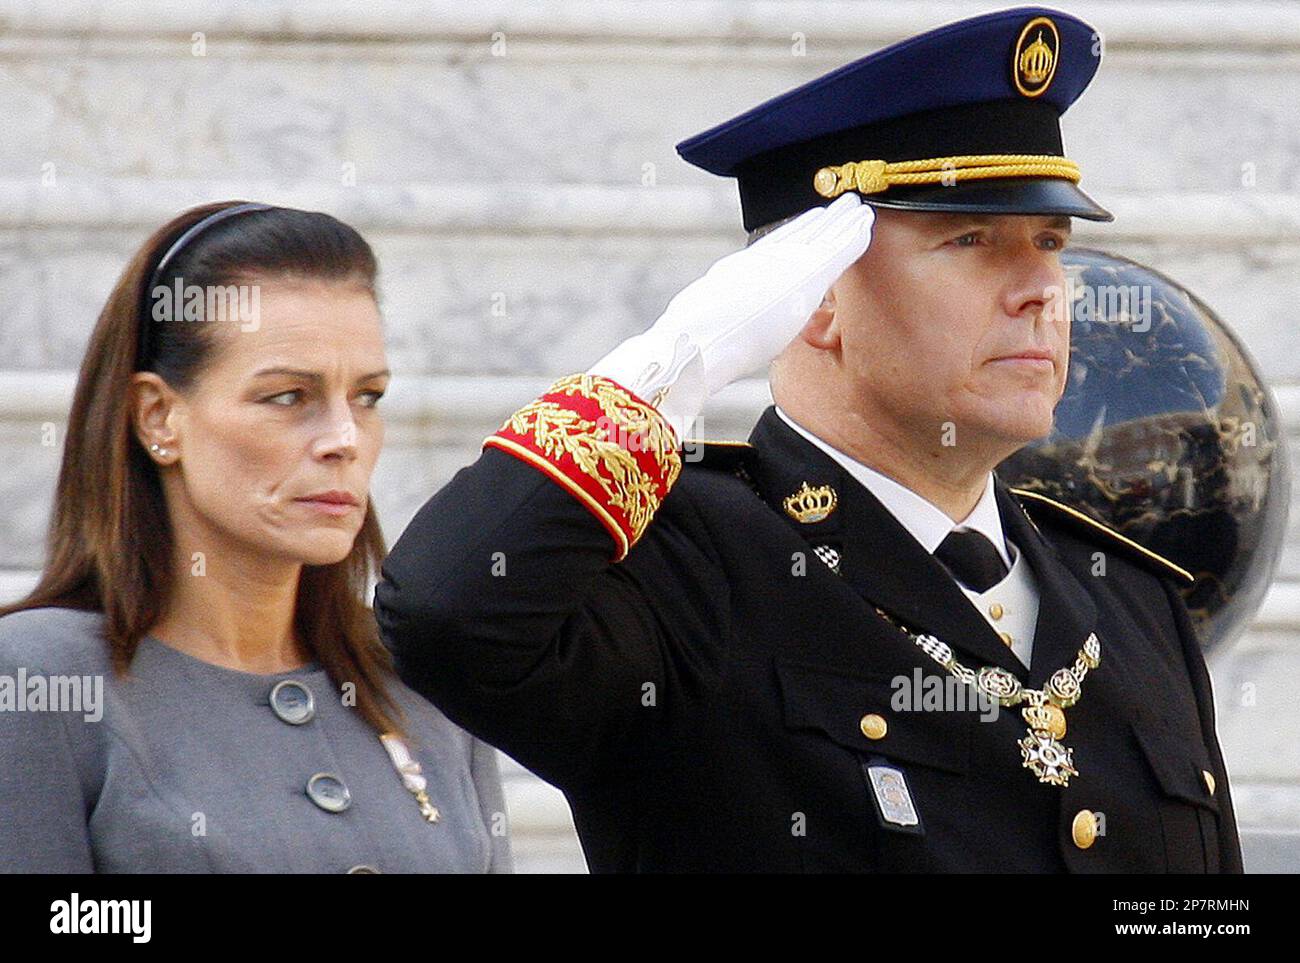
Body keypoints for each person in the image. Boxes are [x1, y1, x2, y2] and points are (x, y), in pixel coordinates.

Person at [374, 7, 1241, 872]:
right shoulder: (681, 567)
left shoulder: (1130, 597)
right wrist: (677, 365)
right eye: (971, 240)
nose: (1041, 291)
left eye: (1049, 242)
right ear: (818, 295)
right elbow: (443, 614)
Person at [0, 201, 512, 873]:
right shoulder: (41, 676)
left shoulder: (417, 675)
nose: (344, 439)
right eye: (287, 396)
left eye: (368, 396)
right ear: (158, 417)